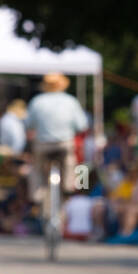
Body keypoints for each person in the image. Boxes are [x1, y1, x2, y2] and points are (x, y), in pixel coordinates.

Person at [25, 73, 88, 203]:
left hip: (42, 145)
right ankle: (69, 187)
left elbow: (28, 124)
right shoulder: (71, 101)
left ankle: (36, 196)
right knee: (70, 162)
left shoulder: (37, 101)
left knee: (36, 169)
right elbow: (82, 125)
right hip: (64, 144)